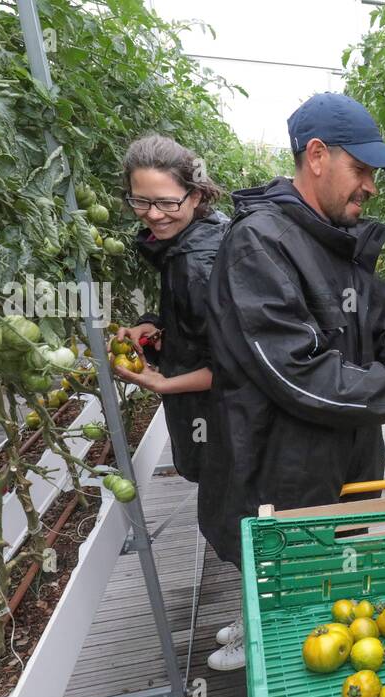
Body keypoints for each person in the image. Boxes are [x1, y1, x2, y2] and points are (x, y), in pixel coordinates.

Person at [200, 92, 385, 670]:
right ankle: (263, 652)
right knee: (294, 620)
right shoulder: (259, 245)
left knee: (327, 604)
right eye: (361, 169)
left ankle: (265, 634)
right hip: (282, 470)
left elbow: (381, 335)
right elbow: (298, 375)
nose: (371, 187)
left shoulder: (334, 245)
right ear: (318, 156)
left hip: (340, 464)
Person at [106, 135, 242, 660]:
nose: (154, 214)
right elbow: (200, 327)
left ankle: (266, 629)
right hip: (222, 414)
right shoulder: (196, 241)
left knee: (234, 523)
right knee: (234, 518)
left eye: (167, 201)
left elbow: (236, 362)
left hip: (228, 415)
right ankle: (258, 614)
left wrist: (161, 382)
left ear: (196, 194)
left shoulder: (196, 262)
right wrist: (153, 325)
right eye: (142, 201)